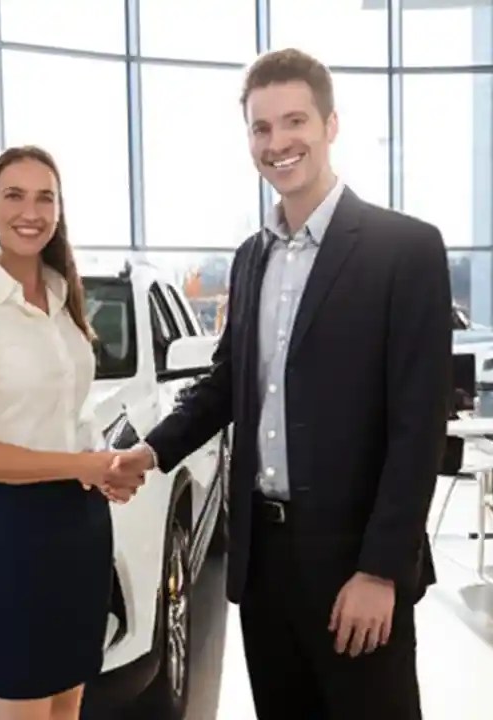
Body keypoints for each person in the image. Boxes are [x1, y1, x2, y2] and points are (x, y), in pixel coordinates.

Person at [110, 48, 452, 719]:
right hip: (263, 564)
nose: (278, 142)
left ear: (330, 125)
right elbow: (229, 381)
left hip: (354, 561)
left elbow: (419, 428)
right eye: (261, 129)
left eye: (294, 121)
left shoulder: (404, 249)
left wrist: (381, 570)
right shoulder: (250, 257)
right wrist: (147, 454)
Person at [0, 145, 143, 720]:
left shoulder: (59, 292)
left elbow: (67, 419)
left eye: (44, 196)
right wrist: (81, 467)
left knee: (68, 705)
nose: (31, 211)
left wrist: (103, 468)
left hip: (82, 526)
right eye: (14, 195)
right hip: (19, 534)